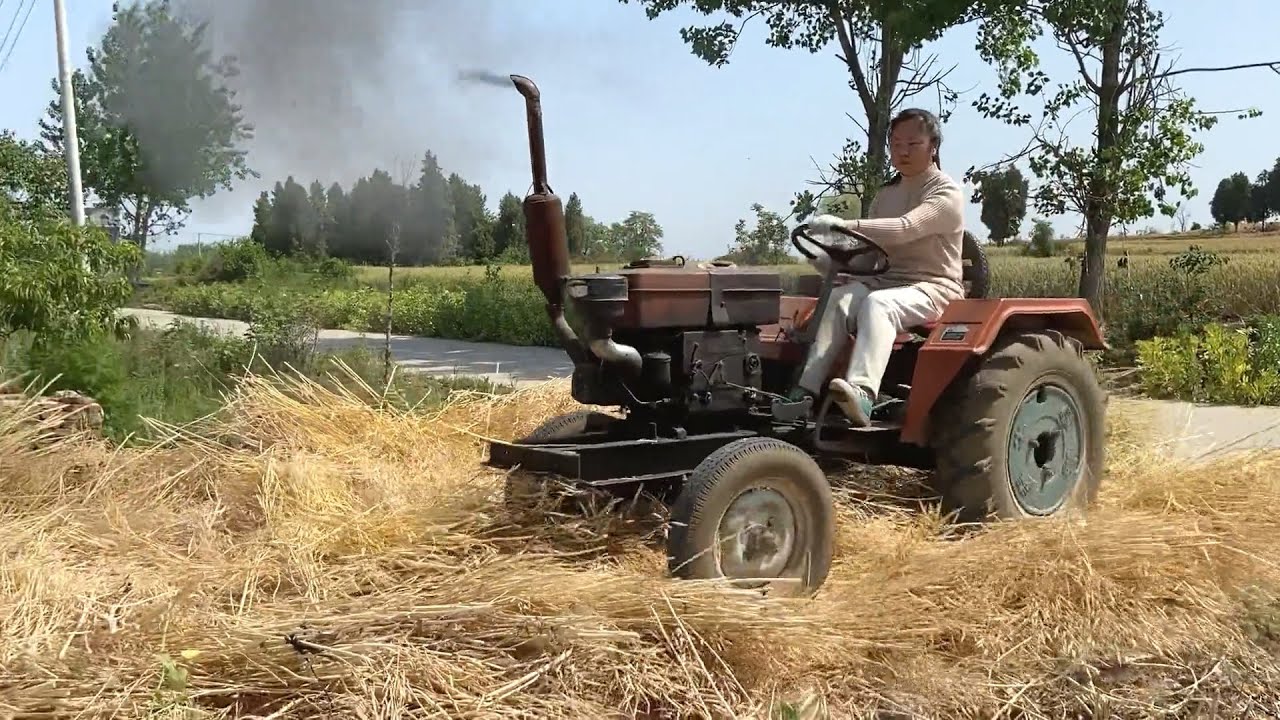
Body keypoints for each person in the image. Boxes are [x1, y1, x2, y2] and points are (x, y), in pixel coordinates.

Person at [790, 107, 967, 427]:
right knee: (840, 298)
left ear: (933, 147)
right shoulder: (886, 194)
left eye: (913, 144)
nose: (902, 151)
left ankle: (862, 393)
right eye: (896, 143)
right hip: (887, 280)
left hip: (935, 287)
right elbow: (870, 256)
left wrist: (844, 224)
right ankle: (805, 391)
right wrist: (827, 260)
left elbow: (904, 228)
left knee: (878, 305)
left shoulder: (946, 192)